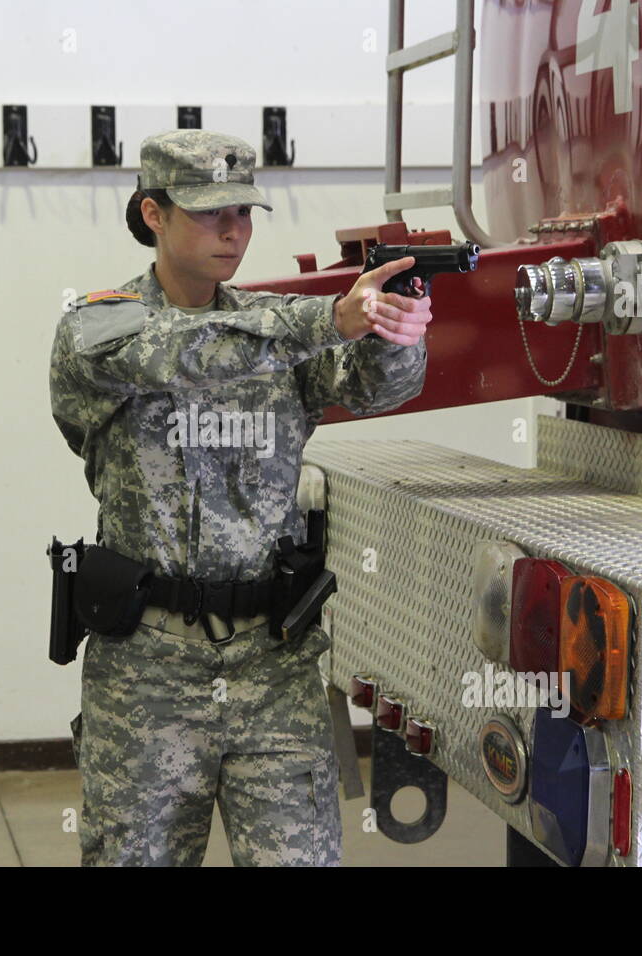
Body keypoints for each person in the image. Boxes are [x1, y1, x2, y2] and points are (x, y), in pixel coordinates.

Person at [49, 129, 432, 866]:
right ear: (152, 213)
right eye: (209, 212)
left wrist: (398, 330)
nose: (234, 231)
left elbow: (374, 385)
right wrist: (326, 320)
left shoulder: (274, 331)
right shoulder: (96, 326)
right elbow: (185, 352)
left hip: (273, 662)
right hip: (147, 671)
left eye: (245, 212)